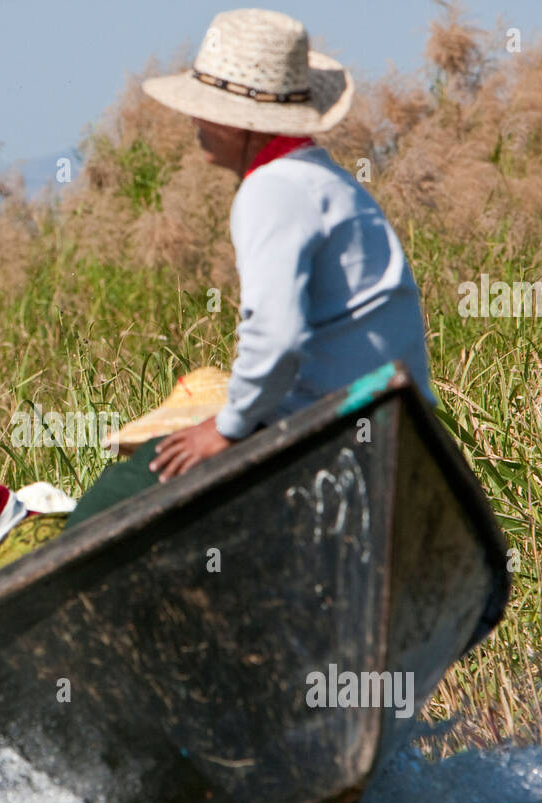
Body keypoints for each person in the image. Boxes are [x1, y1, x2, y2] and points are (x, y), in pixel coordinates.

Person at [134, 9, 435, 484]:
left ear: (240, 123)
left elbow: (277, 336)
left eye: (205, 107)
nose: (194, 119)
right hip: (397, 421)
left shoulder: (271, 190)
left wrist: (229, 428)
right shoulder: (323, 177)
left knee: (130, 479)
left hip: (336, 431)